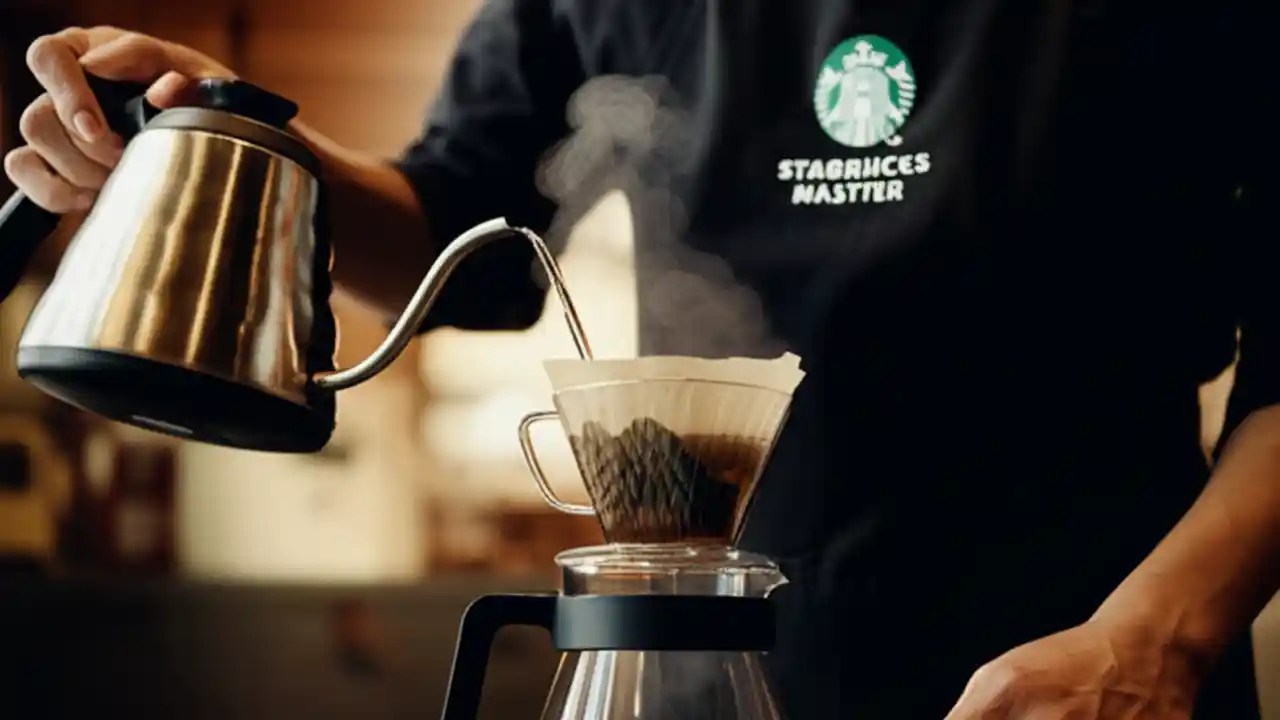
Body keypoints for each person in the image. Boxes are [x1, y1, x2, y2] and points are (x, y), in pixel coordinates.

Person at [6, 4, 1278, 717]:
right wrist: (242, 139)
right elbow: (462, 231)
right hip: (715, 674)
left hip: (1100, 673)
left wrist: (1153, 643)